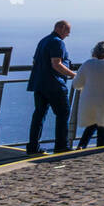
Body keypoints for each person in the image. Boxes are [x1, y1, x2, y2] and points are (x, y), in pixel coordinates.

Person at [26, 20, 76, 156]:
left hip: (39, 83)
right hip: (54, 84)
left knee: (39, 115)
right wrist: (73, 75)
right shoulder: (57, 42)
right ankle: (61, 146)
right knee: (63, 113)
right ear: (60, 28)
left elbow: (35, 61)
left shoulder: (44, 41)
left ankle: (32, 147)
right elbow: (56, 64)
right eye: (67, 31)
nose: (68, 34)